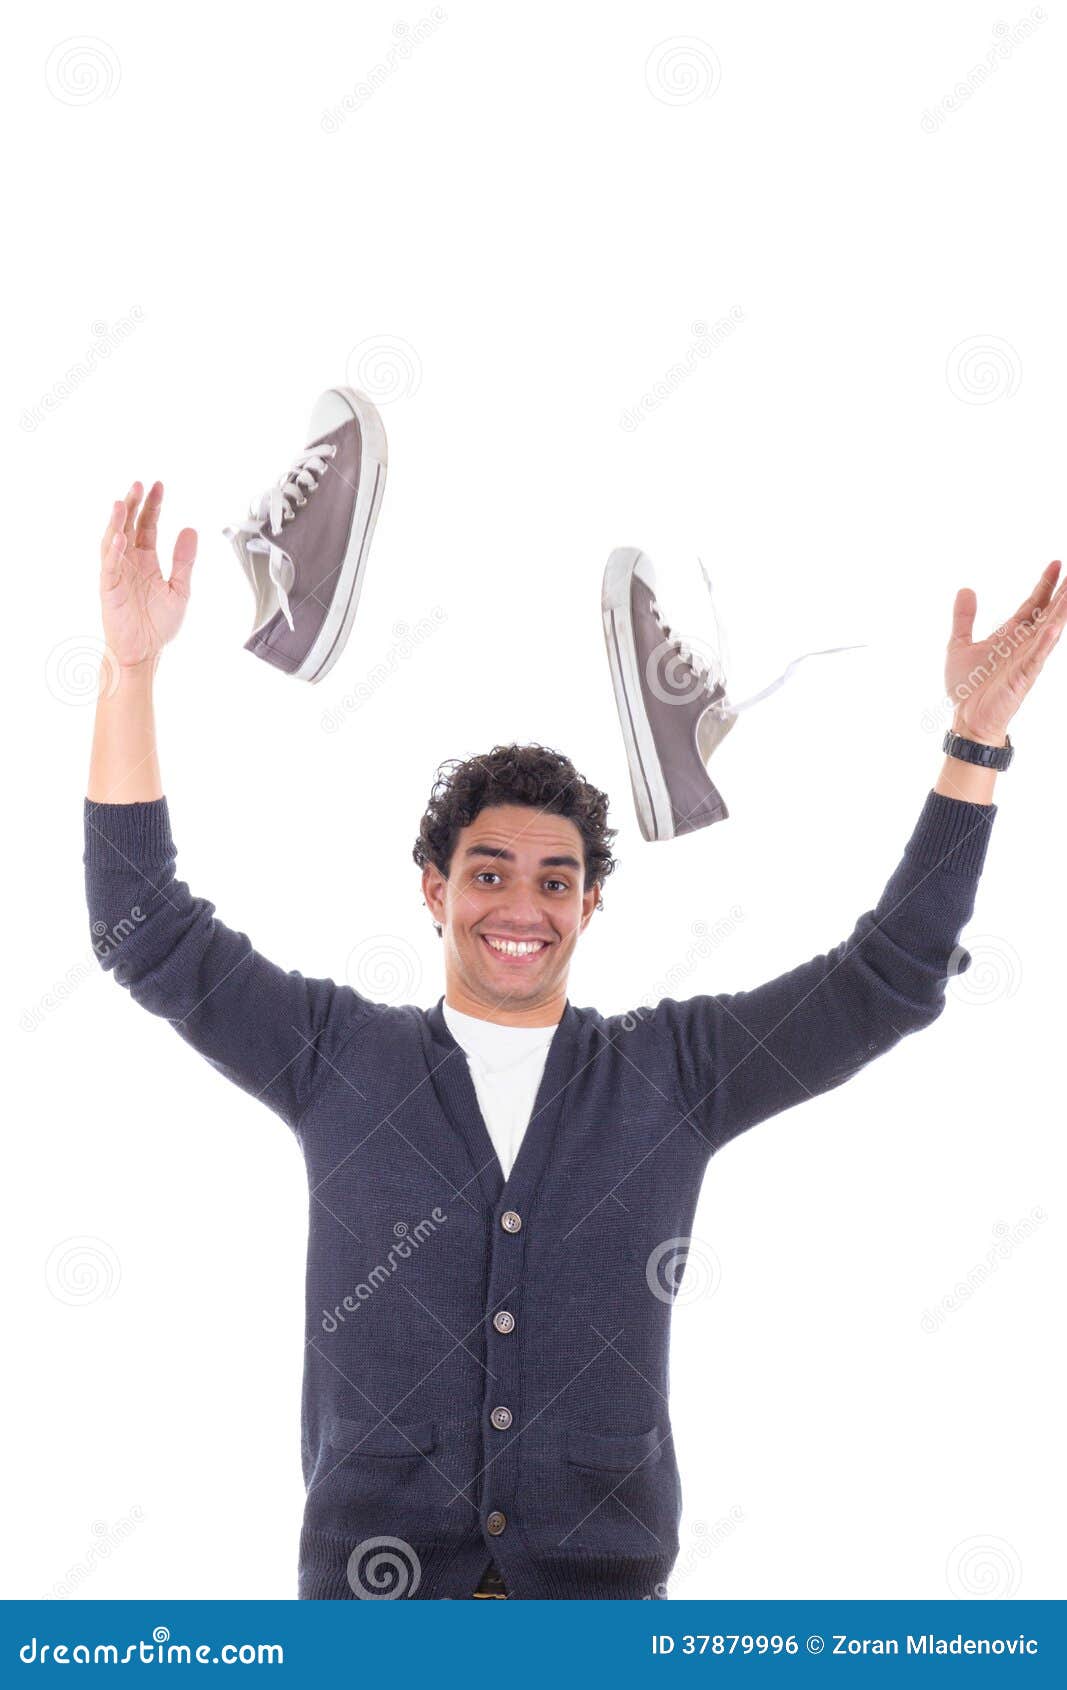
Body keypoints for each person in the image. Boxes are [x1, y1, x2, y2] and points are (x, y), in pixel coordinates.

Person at [84, 482, 1064, 1600]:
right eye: (487, 873)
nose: (521, 907)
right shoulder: (335, 1057)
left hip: (598, 1613)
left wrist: (974, 742)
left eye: (555, 881)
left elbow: (886, 979)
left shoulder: (674, 1073)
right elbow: (142, 927)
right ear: (432, 891)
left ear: (589, 905)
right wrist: (129, 671)